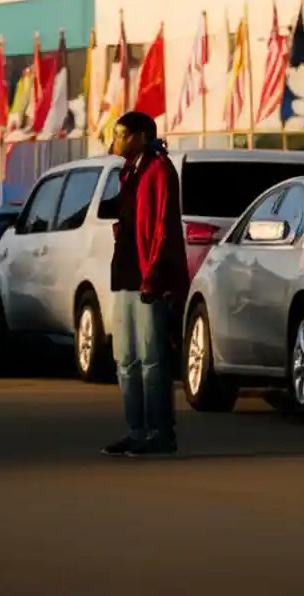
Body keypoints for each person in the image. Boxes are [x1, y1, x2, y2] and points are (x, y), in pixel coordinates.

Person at [102, 111, 188, 457]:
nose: (116, 139)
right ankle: (136, 431)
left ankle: (160, 434)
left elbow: (162, 229)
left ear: (139, 136)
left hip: (149, 277)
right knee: (126, 359)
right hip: (124, 274)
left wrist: (154, 276)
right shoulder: (128, 171)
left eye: (121, 134)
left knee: (152, 359)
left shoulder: (159, 171)